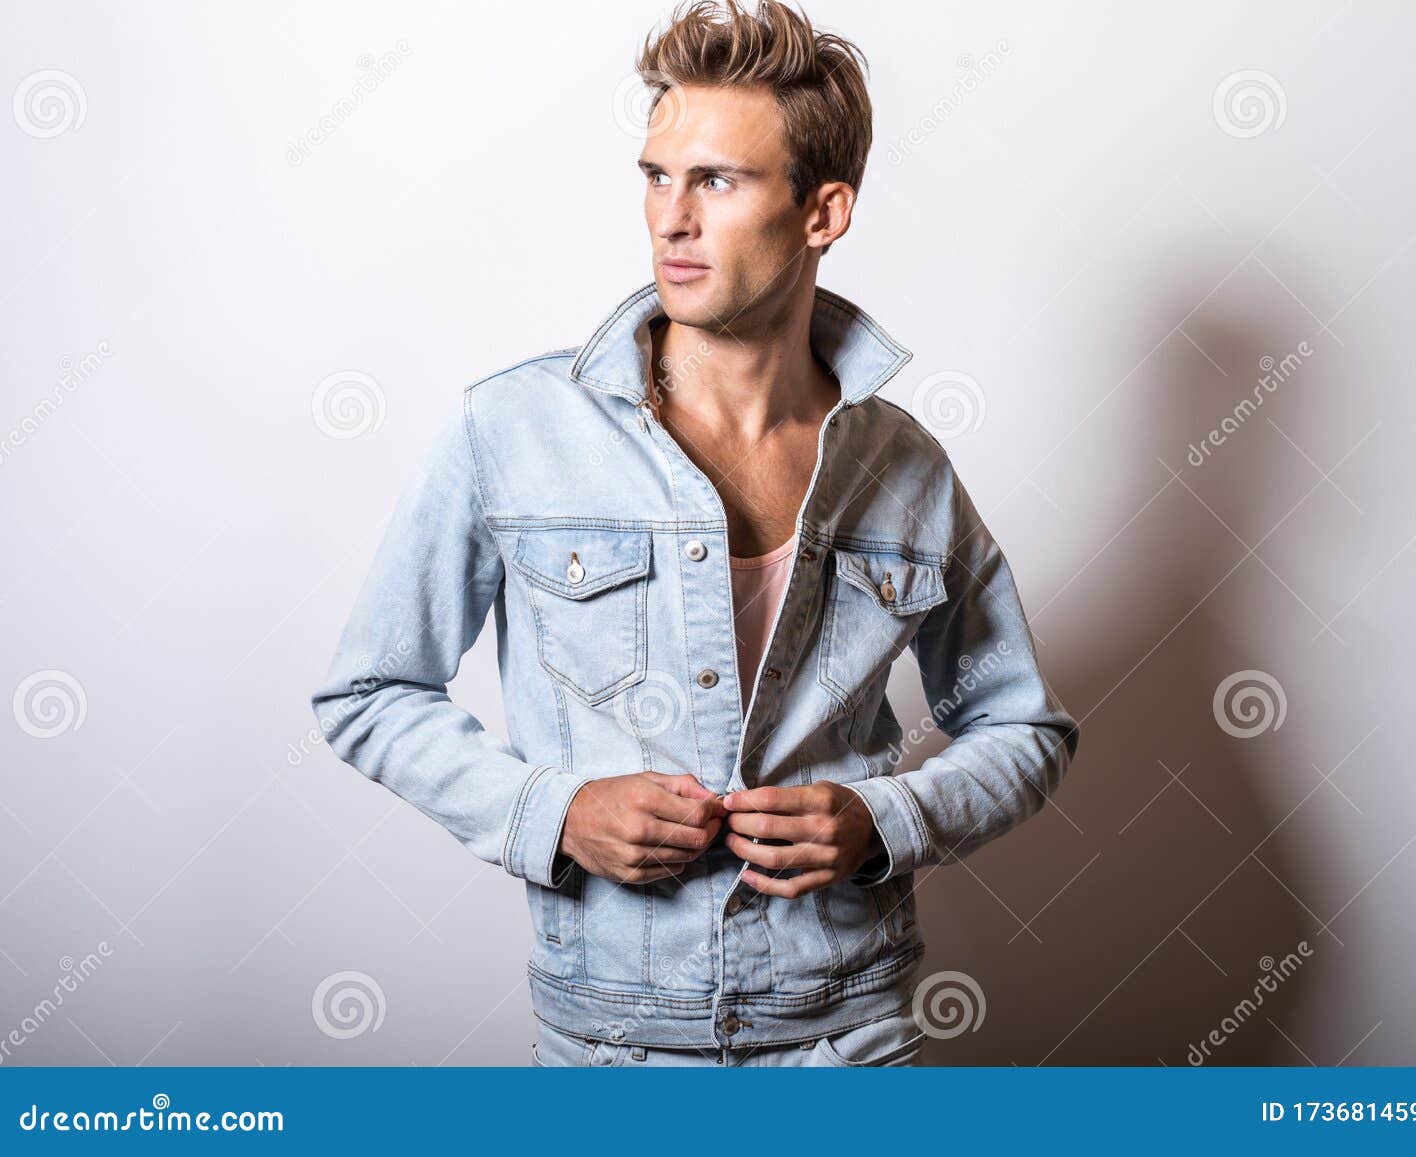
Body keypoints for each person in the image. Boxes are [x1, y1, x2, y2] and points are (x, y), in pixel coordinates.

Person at [310, 0, 1079, 1068]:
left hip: (851, 1039)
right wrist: (554, 810)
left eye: (716, 181)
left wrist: (882, 819)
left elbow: (1024, 727)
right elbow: (369, 690)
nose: (670, 218)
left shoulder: (900, 466)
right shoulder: (513, 430)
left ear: (822, 212)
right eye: (656, 176)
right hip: (612, 1048)